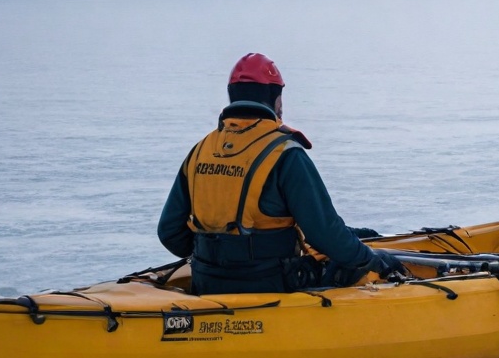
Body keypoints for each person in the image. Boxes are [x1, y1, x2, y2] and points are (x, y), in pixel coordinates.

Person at [158, 53, 403, 294]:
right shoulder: (285, 152)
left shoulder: (200, 151)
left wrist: (217, 256)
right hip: (269, 286)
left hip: (207, 281)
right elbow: (324, 234)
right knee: (350, 262)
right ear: (276, 100)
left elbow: (169, 232)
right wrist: (372, 260)